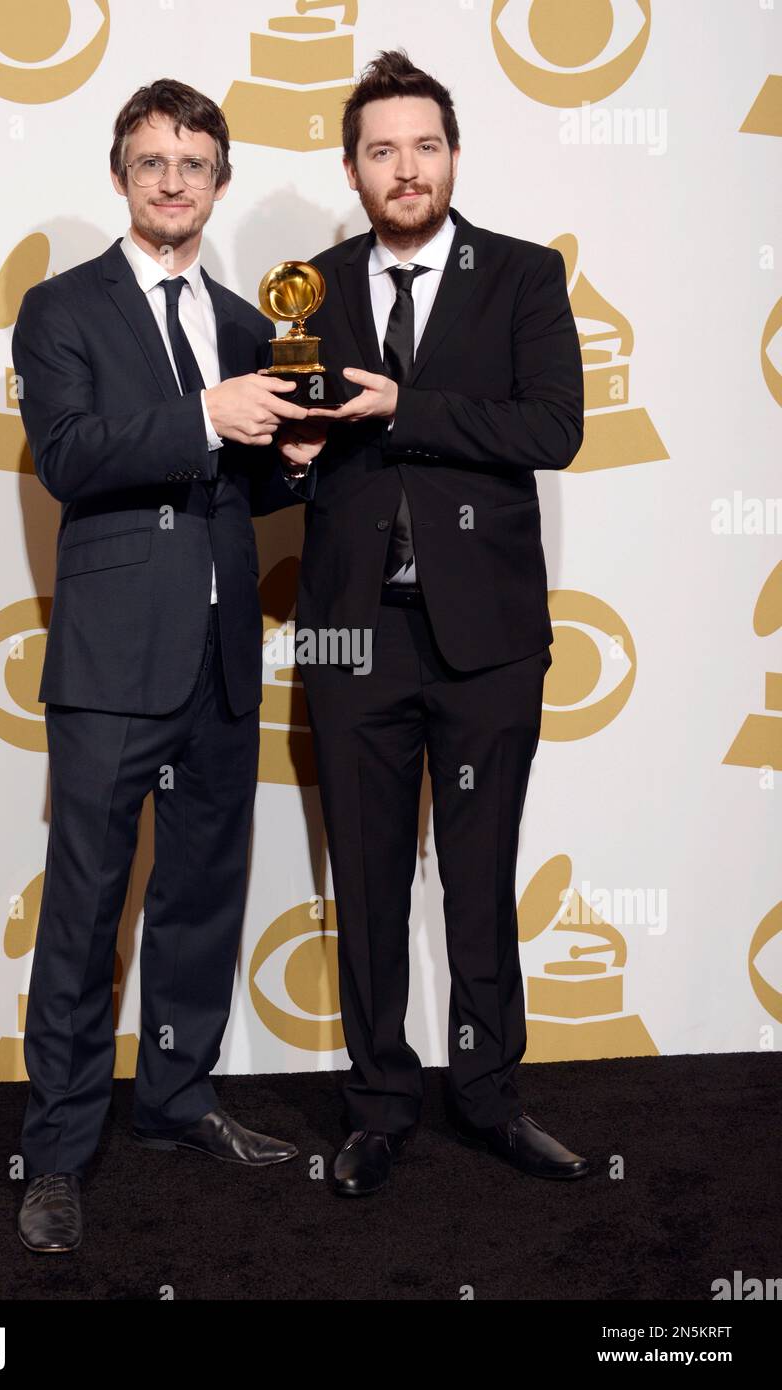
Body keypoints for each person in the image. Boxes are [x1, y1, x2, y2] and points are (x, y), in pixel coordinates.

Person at [11, 78, 310, 1252]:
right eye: (151, 162)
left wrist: (290, 454)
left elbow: (252, 480)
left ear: (219, 180)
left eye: (193, 163)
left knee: (198, 902)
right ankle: (57, 1147)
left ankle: (178, 1100)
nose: (173, 181)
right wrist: (205, 415)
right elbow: (70, 457)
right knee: (85, 912)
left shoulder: (250, 319)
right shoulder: (60, 307)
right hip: (108, 662)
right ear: (122, 176)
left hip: (221, 656)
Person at [288, 50, 590, 1195]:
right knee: (362, 880)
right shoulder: (306, 289)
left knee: (479, 872)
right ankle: (375, 1106)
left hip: (489, 638)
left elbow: (551, 428)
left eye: (423, 145)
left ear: (453, 156)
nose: (404, 167)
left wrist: (403, 406)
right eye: (380, 150)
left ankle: (488, 1094)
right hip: (350, 636)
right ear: (353, 168)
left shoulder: (520, 275)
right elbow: (283, 462)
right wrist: (295, 453)